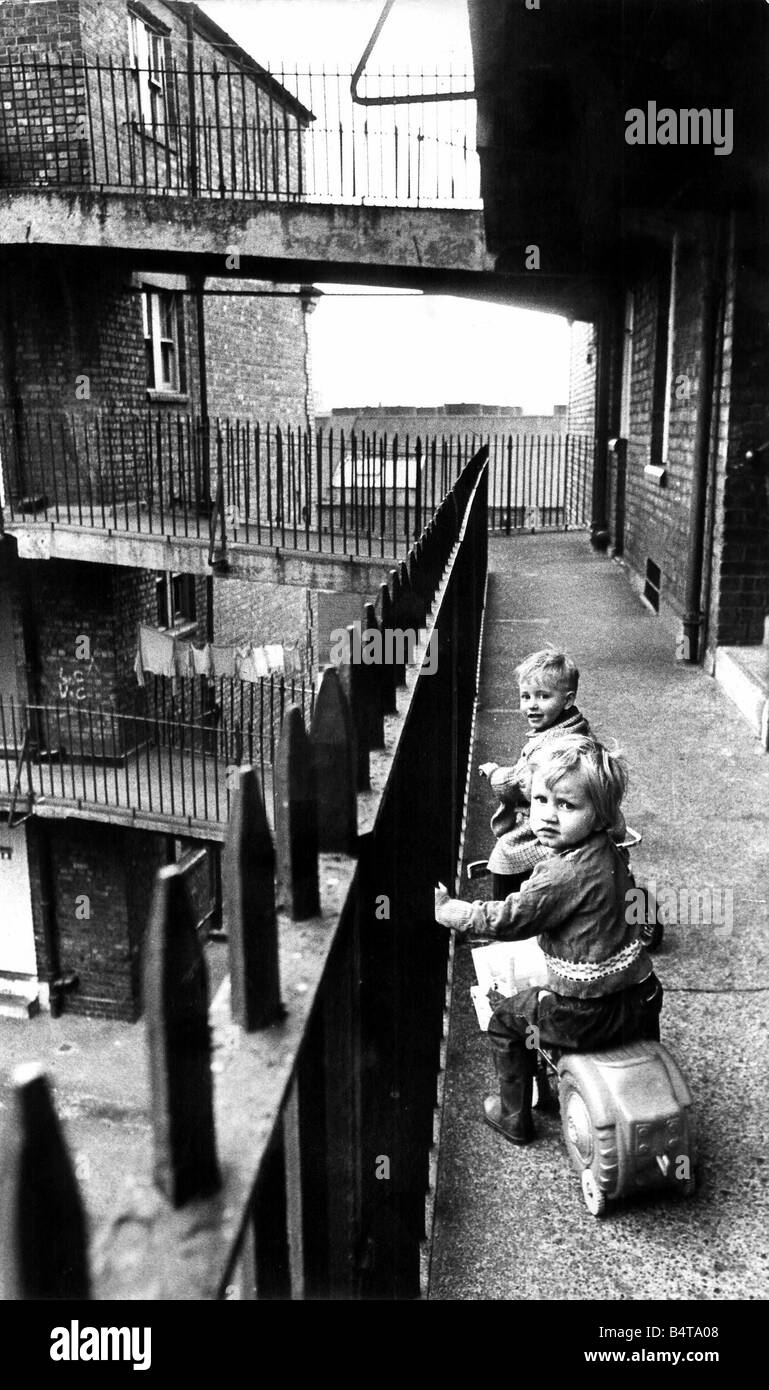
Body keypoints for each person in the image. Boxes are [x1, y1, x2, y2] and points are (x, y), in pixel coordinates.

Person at [435, 735, 663, 1146]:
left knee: (507, 1020)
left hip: (586, 1013)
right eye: (540, 800)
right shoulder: (611, 850)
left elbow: (510, 919)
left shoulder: (559, 874)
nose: (548, 816)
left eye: (567, 805)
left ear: (599, 816)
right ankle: (639, 1083)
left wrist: (457, 913)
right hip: (643, 996)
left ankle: (513, 1115)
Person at [479, 648, 592, 897]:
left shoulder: (548, 746)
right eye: (526, 696)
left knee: (506, 852)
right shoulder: (576, 726)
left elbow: (517, 784)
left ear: (567, 699)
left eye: (543, 696)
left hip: (546, 822)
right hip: (566, 811)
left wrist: (494, 774)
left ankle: (506, 920)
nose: (532, 705)